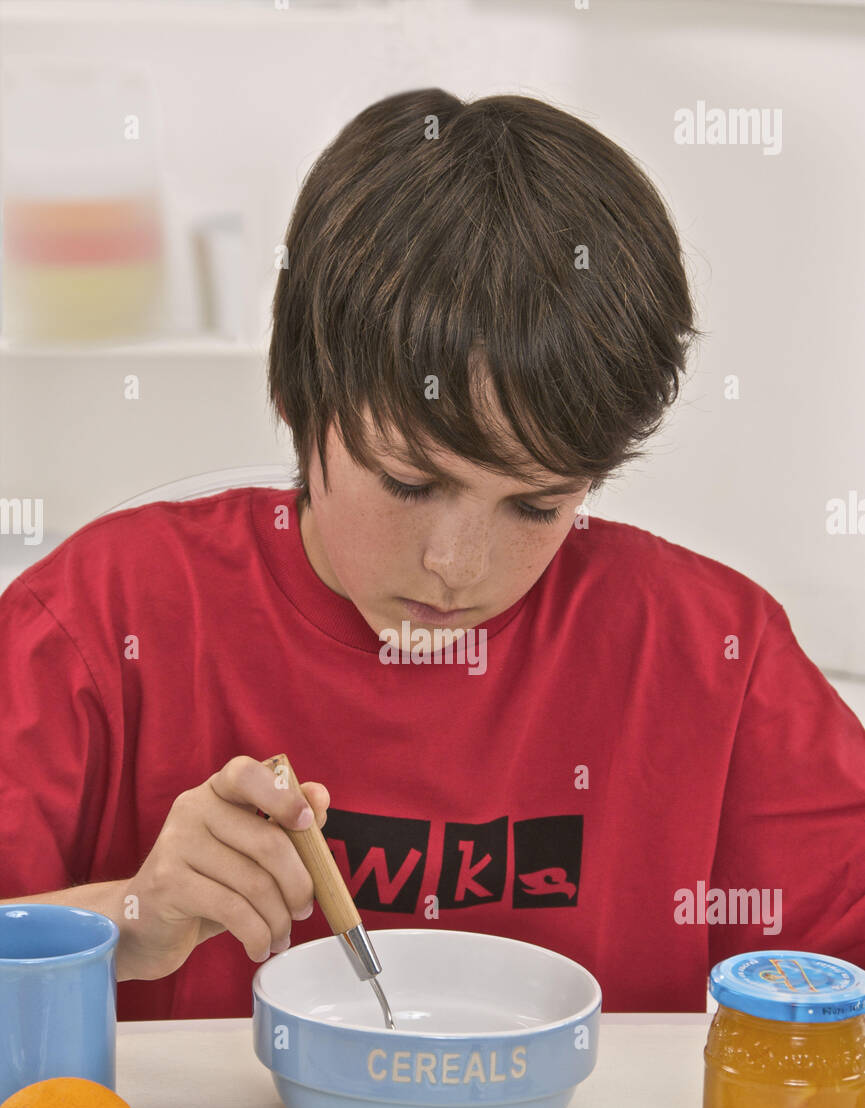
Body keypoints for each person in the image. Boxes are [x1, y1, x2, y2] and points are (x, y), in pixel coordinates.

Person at [1, 89, 863, 1021]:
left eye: (536, 504)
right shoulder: (99, 622)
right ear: (297, 399)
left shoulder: (714, 659)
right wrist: (123, 921)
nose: (456, 564)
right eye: (409, 483)